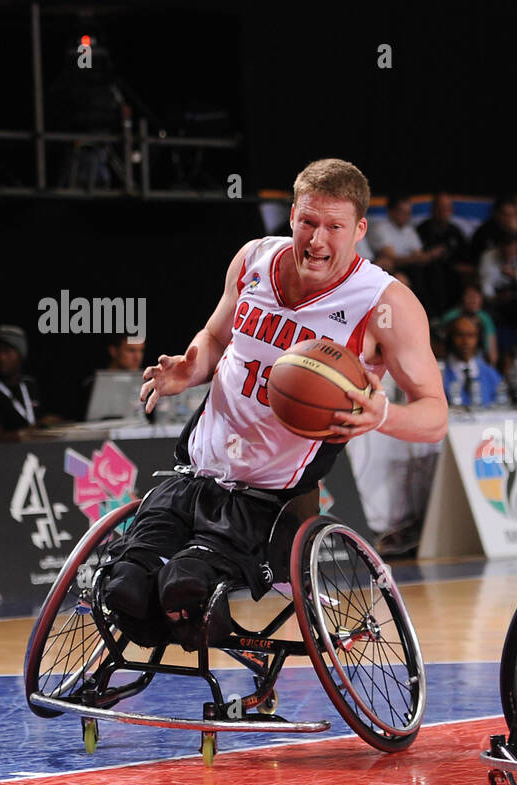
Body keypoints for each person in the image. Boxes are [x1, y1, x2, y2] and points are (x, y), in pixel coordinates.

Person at [106, 158, 447, 649]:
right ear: (291, 216)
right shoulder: (252, 261)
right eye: (308, 222)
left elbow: (435, 415)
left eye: (334, 226)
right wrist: (191, 367)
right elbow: (215, 337)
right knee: (124, 589)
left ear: (360, 230)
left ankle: (213, 638)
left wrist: (384, 415)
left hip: (268, 502)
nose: (317, 239)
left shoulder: (385, 305)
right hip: (196, 474)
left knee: (185, 586)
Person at [0, 324, 60, 442]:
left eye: (7, 352)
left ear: (20, 355)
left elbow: (44, 419)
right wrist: (31, 432)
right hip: (4, 457)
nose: (1, 357)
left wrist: (52, 424)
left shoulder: (30, 385)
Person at [439, 316, 507, 408]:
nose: (465, 341)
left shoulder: (490, 374)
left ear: (478, 339)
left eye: (471, 335)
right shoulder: (439, 372)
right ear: (450, 337)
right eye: (460, 335)